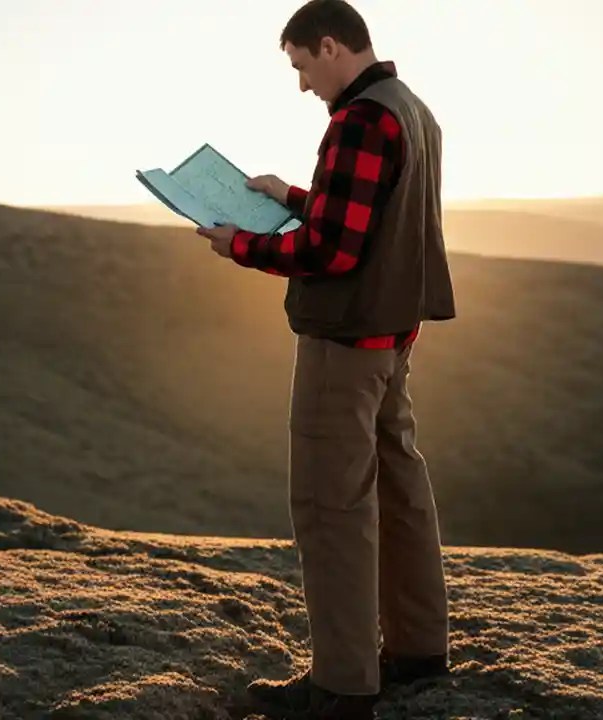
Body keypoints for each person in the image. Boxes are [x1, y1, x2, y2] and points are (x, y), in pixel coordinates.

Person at [196, 1, 456, 718]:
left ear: (332, 45)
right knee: (401, 490)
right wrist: (288, 195)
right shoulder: (411, 109)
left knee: (330, 508)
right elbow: (365, 214)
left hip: (344, 344)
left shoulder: (359, 121)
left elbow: (331, 250)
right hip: (393, 336)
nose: (303, 84)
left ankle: (342, 685)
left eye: (303, 65)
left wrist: (240, 245)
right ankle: (418, 651)